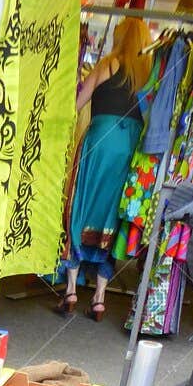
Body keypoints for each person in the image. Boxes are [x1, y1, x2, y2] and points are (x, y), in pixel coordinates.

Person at [57, 17, 149, 322]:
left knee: (80, 202)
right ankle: (99, 298)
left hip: (100, 137)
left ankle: (70, 290)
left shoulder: (108, 64)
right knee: (111, 210)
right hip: (129, 143)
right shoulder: (147, 72)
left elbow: (78, 103)